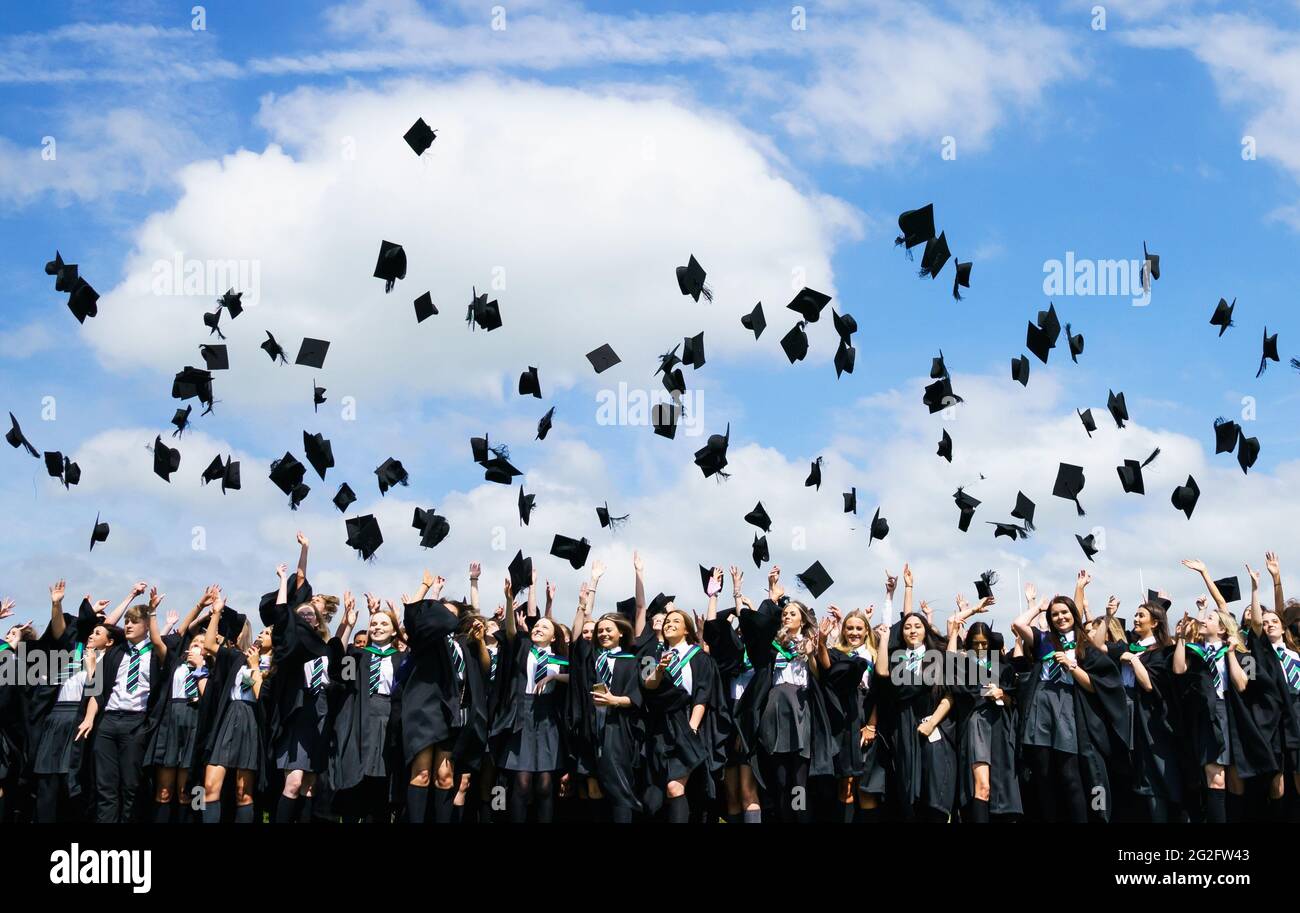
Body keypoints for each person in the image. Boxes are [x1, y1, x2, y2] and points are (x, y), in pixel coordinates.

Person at [1010, 584, 1126, 822]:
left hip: (1069, 706)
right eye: (1055, 614)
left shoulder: (1085, 644)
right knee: (1043, 774)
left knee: (1070, 774)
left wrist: (1072, 667)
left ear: (1074, 615)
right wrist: (1038, 608)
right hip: (1041, 705)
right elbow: (1018, 625)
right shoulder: (1045, 640)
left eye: (1065, 612)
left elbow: (1096, 685)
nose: (1060, 617)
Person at [733, 564, 835, 824]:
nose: (787, 616)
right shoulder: (773, 645)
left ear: (802, 618)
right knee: (779, 781)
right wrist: (771, 592)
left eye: (792, 613)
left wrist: (818, 646)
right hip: (775, 709)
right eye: (785, 613)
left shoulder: (808, 642)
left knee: (798, 780)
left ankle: (800, 819)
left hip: (800, 709)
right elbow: (754, 627)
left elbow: (822, 670)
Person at [84, 585, 168, 823]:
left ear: (146, 626)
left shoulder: (155, 653)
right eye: (127, 621)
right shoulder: (115, 652)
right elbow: (96, 688)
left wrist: (151, 612)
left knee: (131, 786)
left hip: (136, 724)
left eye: (134, 622)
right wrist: (90, 717)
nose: (128, 625)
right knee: (105, 786)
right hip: (108, 723)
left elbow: (159, 641)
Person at [568, 560, 643, 822]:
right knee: (592, 785)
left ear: (621, 633)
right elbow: (578, 635)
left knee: (619, 785)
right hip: (590, 726)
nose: (602, 634)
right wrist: (592, 586)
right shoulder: (591, 657)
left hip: (617, 729)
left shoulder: (630, 661)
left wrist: (615, 700)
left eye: (608, 630)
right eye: (599, 631)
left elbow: (636, 697)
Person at [259, 562, 330, 823]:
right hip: (296, 713)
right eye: (301, 613)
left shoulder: (323, 648)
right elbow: (280, 611)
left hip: (319, 714)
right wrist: (281, 580)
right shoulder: (289, 644)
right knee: (294, 781)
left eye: (311, 614)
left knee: (310, 782)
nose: (307, 616)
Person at [329, 591, 403, 823]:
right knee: (355, 775)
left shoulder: (401, 659)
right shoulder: (358, 655)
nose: (377, 627)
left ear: (394, 630)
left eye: (384, 623)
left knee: (382, 778)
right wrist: (349, 626)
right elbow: (341, 673)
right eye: (373, 623)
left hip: (389, 716)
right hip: (361, 716)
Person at [196, 590, 265, 824]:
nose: (261, 636)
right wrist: (215, 614)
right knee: (209, 786)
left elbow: (262, 694)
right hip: (229, 716)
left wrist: (256, 666)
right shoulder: (236, 658)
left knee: (242, 792)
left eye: (268, 634)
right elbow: (208, 645)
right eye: (261, 632)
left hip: (250, 719)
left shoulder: (270, 664)